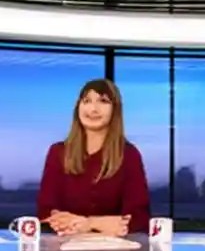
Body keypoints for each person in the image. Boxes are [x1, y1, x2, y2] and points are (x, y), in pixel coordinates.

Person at [37, 78, 150, 236]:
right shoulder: (58, 152)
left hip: (115, 248)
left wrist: (89, 223)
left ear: (115, 110)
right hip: (65, 245)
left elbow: (139, 218)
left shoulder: (129, 155)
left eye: (103, 101)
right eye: (87, 101)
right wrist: (95, 224)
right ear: (78, 107)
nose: (93, 109)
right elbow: (46, 212)